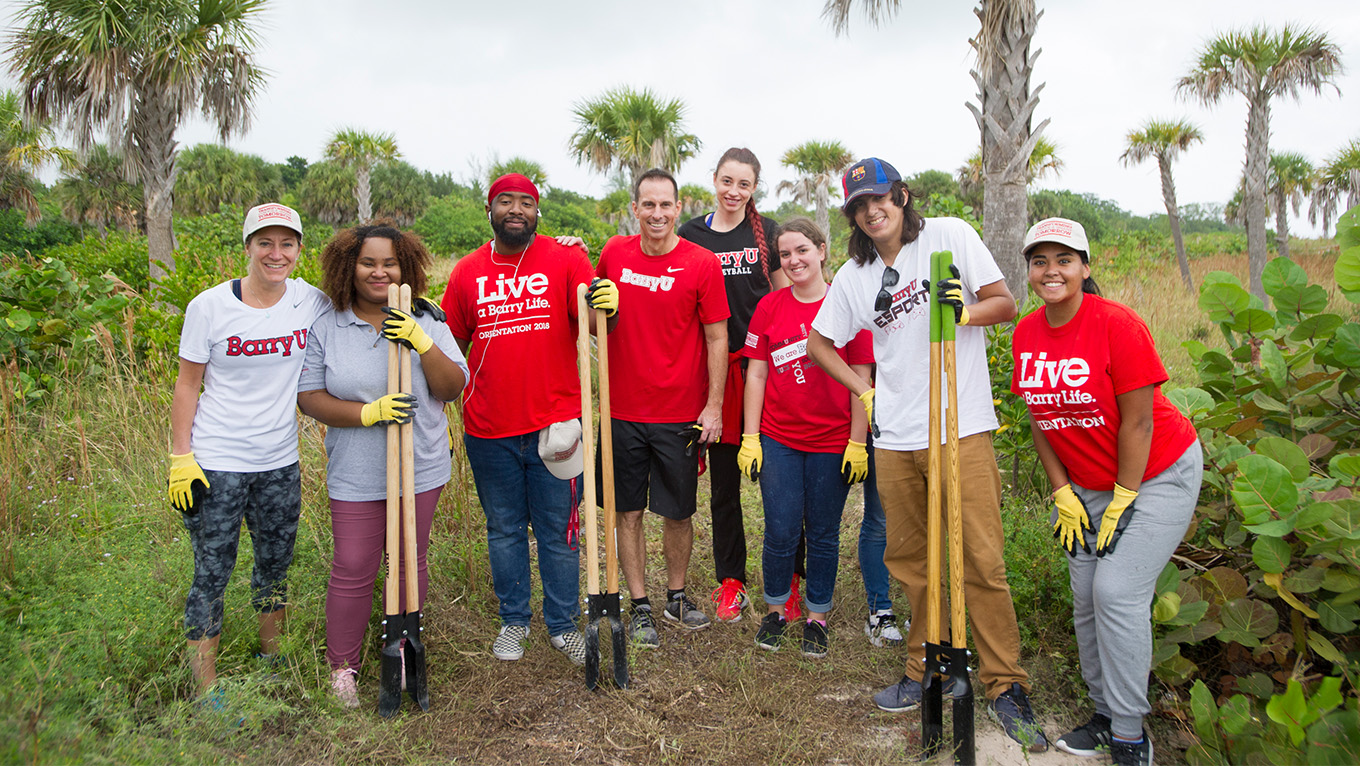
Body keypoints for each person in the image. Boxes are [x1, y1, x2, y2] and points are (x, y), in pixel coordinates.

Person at [807, 158, 1047, 751]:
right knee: (911, 560)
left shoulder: (949, 236)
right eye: (860, 205)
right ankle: (926, 668)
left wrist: (963, 310)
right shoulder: (855, 274)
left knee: (980, 558)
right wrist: (865, 390)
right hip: (895, 437)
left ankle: (1003, 683)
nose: (872, 211)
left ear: (902, 196)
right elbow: (818, 343)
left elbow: (1006, 302)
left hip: (959, 427)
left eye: (880, 199)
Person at [1013, 218, 1201, 766]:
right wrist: (1061, 491)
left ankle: (1128, 734)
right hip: (1088, 485)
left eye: (1064, 260)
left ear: (1085, 268)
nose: (1051, 271)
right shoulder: (1027, 332)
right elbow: (1039, 417)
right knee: (1087, 598)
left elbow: (1139, 425)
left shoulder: (1117, 324)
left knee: (1117, 593)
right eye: (1040, 261)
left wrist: (1124, 496)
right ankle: (1103, 713)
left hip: (1157, 473)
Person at [439, 173, 617, 667]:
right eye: (504, 202)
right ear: (490, 209)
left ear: (538, 212)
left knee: (561, 531)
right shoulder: (467, 271)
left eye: (525, 202)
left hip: (557, 425)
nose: (515, 209)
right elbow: (450, 348)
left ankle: (562, 626)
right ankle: (514, 621)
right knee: (504, 529)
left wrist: (609, 307)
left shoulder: (566, 259)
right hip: (488, 427)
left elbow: (598, 326)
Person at [296, 222, 468, 709]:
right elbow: (309, 397)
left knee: (409, 562)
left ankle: (405, 648)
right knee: (353, 566)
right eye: (367, 262)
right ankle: (343, 669)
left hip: (420, 464)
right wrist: (366, 413)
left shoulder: (427, 319)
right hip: (356, 468)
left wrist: (420, 341)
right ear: (348, 268)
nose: (378, 271)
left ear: (405, 267)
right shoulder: (329, 323)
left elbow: (451, 387)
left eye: (388, 262)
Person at [168, 203, 331, 699]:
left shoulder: (311, 301)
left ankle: (273, 662)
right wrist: (180, 456)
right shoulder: (210, 307)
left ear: (300, 250)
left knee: (275, 565)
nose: (275, 254)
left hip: (279, 462)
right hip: (217, 462)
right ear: (247, 249)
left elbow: (365, 296)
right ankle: (206, 688)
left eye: (286, 244)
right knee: (212, 571)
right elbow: (187, 385)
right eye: (265, 243)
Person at [596, 168, 729, 646]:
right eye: (647, 205)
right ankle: (640, 606)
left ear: (678, 209)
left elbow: (718, 336)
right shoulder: (613, 253)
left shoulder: (700, 263)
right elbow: (594, 319)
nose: (656, 214)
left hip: (679, 412)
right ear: (634, 208)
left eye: (665, 205)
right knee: (626, 512)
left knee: (678, 512)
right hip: (622, 411)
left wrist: (713, 406)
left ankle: (675, 596)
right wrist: (596, 307)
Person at [738, 218, 871, 657]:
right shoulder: (770, 307)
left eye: (802, 251)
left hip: (832, 440)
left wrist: (857, 441)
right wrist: (750, 436)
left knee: (824, 532)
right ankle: (776, 611)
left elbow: (862, 379)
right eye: (785, 254)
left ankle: (817, 616)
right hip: (778, 438)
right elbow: (756, 372)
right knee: (779, 530)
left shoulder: (847, 305)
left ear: (821, 250)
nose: (794, 261)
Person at [677, 147, 791, 622]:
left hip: (765, 370)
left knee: (781, 482)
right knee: (723, 486)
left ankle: (791, 579)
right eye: (727, 180)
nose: (733, 191)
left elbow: (789, 301)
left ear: (754, 188)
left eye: (744, 184)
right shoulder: (692, 234)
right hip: (717, 374)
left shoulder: (769, 234)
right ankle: (731, 581)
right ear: (714, 179)